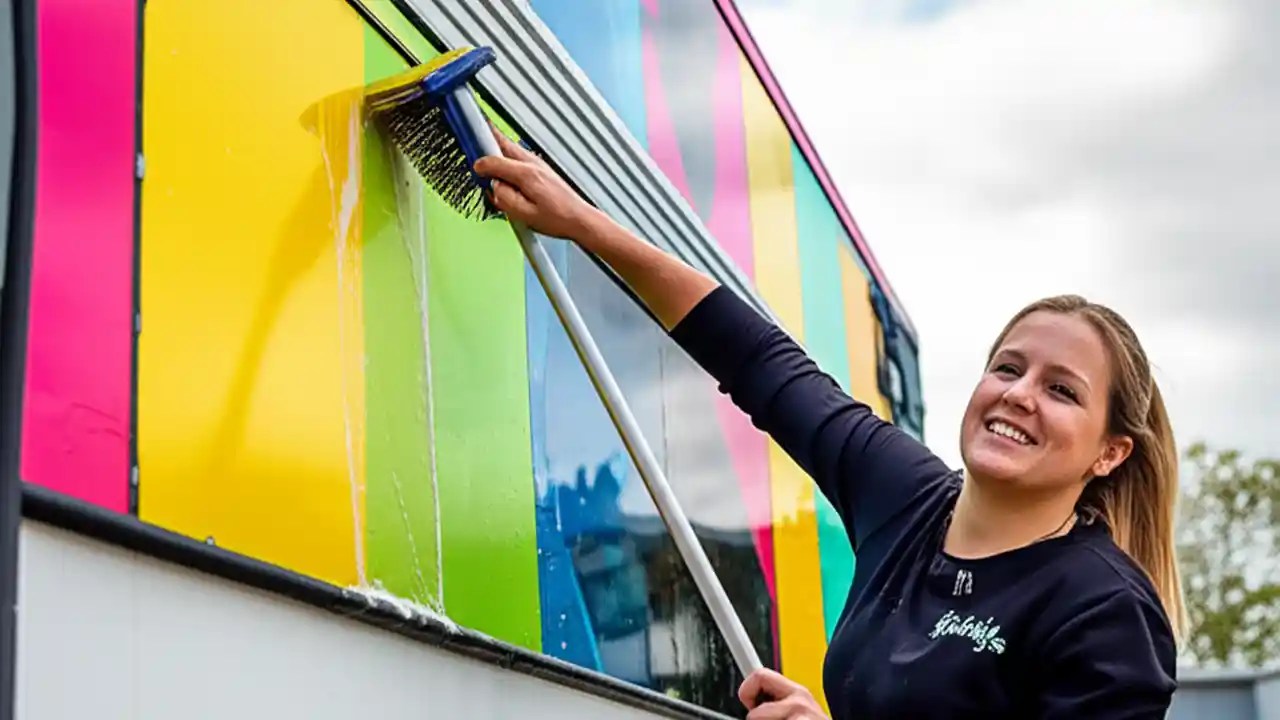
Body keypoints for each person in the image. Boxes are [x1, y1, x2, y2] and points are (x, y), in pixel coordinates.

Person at [474, 130, 1186, 719]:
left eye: (1061, 390)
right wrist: (582, 223)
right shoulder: (904, 495)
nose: (1020, 395)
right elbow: (762, 363)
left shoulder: (1105, 612)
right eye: (1007, 368)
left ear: (1110, 452)